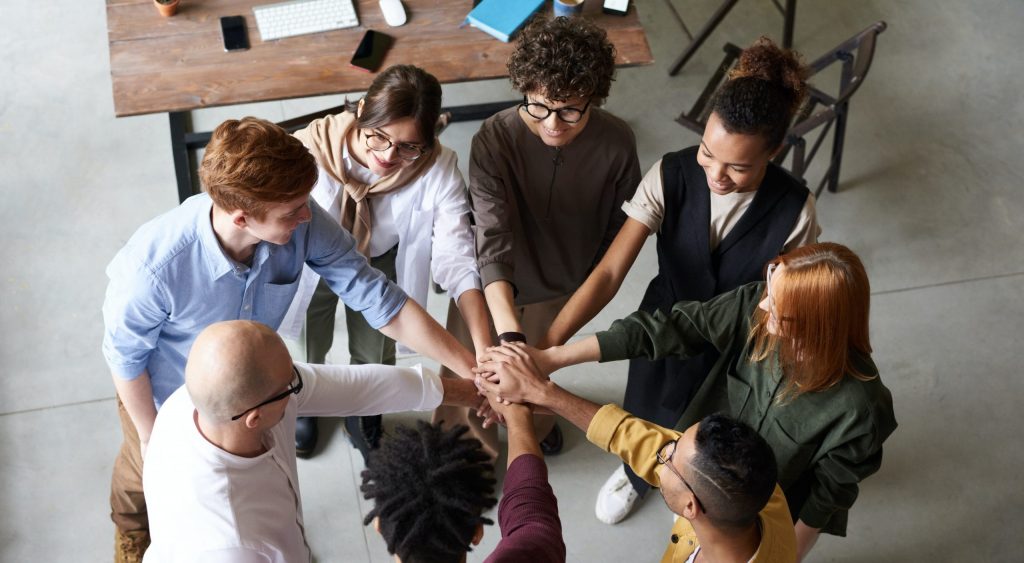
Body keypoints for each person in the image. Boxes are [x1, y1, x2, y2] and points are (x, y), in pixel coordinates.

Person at [102, 117, 476, 562]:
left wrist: (473, 372)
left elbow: (376, 297)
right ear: (242, 217)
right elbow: (124, 361)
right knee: (137, 474)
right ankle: (129, 530)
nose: (307, 215)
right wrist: (154, 441)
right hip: (163, 394)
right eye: (293, 211)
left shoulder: (298, 215)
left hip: (259, 383)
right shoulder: (152, 269)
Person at [537, 36, 821, 524]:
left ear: (774, 152)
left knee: (713, 431)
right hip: (662, 323)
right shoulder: (671, 174)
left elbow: (790, 302)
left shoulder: (796, 210)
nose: (716, 174)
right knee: (647, 405)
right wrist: (547, 351)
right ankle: (636, 473)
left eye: (739, 166)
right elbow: (608, 273)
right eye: (709, 153)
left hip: (736, 341)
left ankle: (692, 487)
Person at [480, 243, 898, 561]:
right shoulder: (761, 304)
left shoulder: (861, 411)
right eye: (770, 290)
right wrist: (548, 371)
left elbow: (825, 500)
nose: (763, 305)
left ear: (819, 327)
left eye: (780, 312)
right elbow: (670, 333)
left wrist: (786, 554)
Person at [433, 15, 642, 460]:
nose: (552, 124)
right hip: (492, 284)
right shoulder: (495, 136)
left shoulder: (618, 144)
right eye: (538, 107)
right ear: (524, 90)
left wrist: (536, 346)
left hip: (561, 287)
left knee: (539, 378)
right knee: (475, 370)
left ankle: (538, 425)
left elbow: (615, 236)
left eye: (570, 110)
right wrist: (509, 338)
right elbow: (491, 235)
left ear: (594, 98)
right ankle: (469, 454)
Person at [281, 64, 491, 460]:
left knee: (377, 349)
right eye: (378, 137)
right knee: (311, 336)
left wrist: (482, 350)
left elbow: (456, 255)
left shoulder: (438, 167)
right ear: (361, 110)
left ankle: (365, 410)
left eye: (408, 146)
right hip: (313, 259)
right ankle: (307, 396)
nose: (388, 156)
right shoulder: (310, 147)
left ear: (428, 141)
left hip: (382, 259)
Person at [142, 320, 481, 562]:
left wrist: (472, 393)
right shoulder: (232, 544)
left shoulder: (212, 398)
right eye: (290, 385)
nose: (299, 384)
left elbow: (357, 387)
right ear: (255, 418)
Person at [475, 345, 796, 562]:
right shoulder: (760, 494)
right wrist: (544, 394)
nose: (660, 452)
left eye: (669, 457)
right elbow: (640, 439)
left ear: (690, 506)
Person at [361, 412, 565, 562]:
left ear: (378, 525)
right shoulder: (533, 552)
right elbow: (530, 507)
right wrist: (516, 416)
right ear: (477, 533)